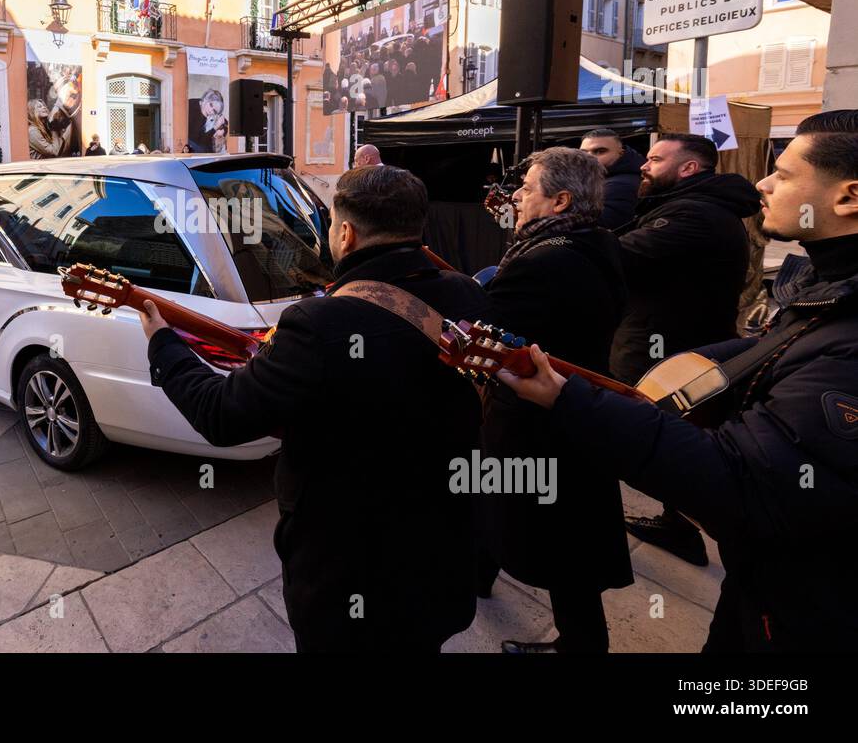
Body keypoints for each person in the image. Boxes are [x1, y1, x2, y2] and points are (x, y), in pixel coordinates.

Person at [500, 110, 858, 652]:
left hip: (802, 616)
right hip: (770, 591)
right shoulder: (825, 287)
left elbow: (740, 481)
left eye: (783, 173)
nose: (763, 182)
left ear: (848, 196)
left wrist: (573, 401)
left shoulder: (687, 222)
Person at [140, 165, 491, 651]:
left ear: (345, 233)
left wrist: (163, 344)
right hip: (441, 553)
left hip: (350, 569)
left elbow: (221, 416)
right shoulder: (468, 293)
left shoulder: (316, 323)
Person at [476, 148, 631, 654]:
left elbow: (492, 339)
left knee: (562, 545)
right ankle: (481, 571)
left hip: (537, 419)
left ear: (560, 200)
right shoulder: (596, 243)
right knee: (568, 537)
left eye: (529, 187)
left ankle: (582, 646)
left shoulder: (541, 261)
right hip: (576, 412)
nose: (517, 195)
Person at [611, 133, 760, 566]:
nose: (644, 164)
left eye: (656, 159)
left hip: (665, 348)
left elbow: (621, 257)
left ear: (689, 168)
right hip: (668, 340)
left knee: (643, 435)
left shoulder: (695, 213)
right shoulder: (692, 208)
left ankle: (688, 522)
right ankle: (679, 523)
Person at [580, 128, 644, 229]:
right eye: (583, 152)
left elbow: (600, 226)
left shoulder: (620, 186)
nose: (589, 157)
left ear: (621, 153)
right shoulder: (604, 178)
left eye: (599, 151)